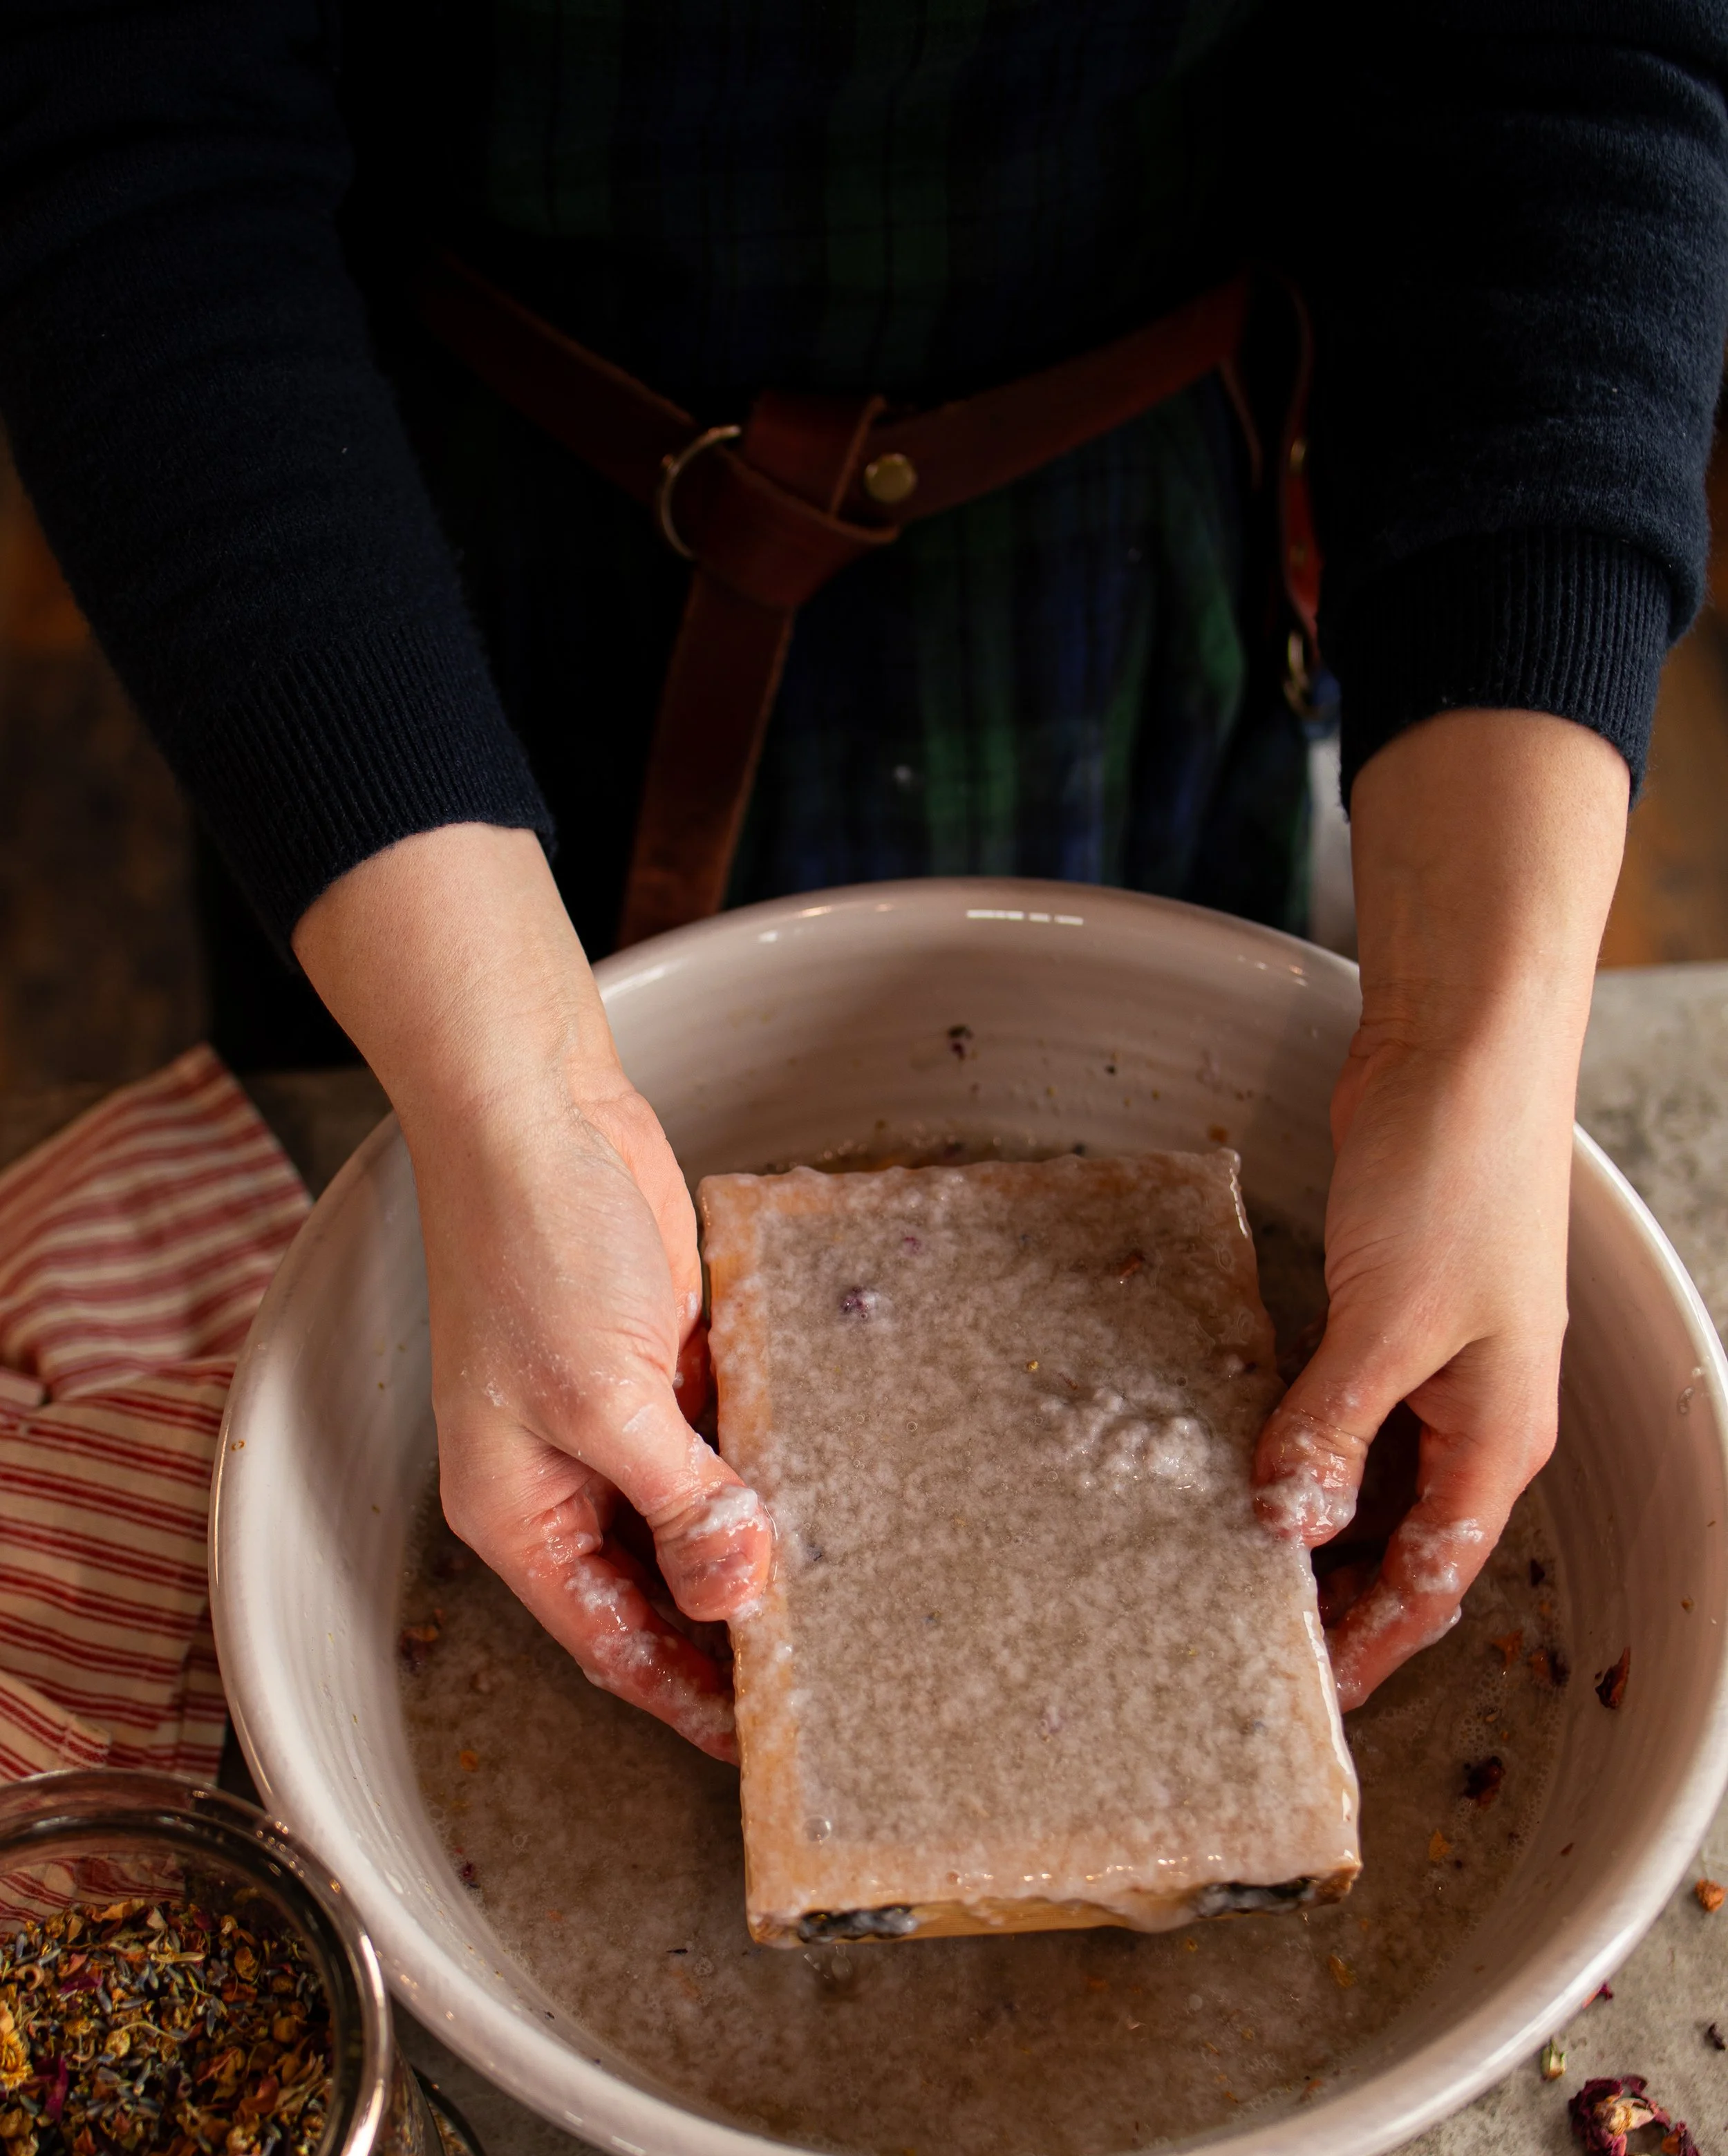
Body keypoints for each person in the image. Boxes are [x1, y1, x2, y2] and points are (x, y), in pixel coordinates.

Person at [1, 3, 1725, 1755]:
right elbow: (137, 131)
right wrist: (514, 1100)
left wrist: (1461, 1048)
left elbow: (1552, 77)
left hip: (1104, 569)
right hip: (407, 606)